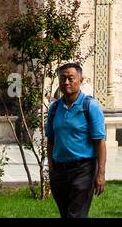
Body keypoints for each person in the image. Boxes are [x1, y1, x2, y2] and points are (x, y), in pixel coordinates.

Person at [45, 61, 107, 218]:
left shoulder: (90, 106)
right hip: (59, 171)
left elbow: (100, 142)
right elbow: (51, 139)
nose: (66, 82)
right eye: (63, 78)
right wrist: (51, 167)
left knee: (76, 215)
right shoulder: (54, 108)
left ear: (81, 80)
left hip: (83, 170)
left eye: (71, 78)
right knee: (65, 214)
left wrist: (100, 174)